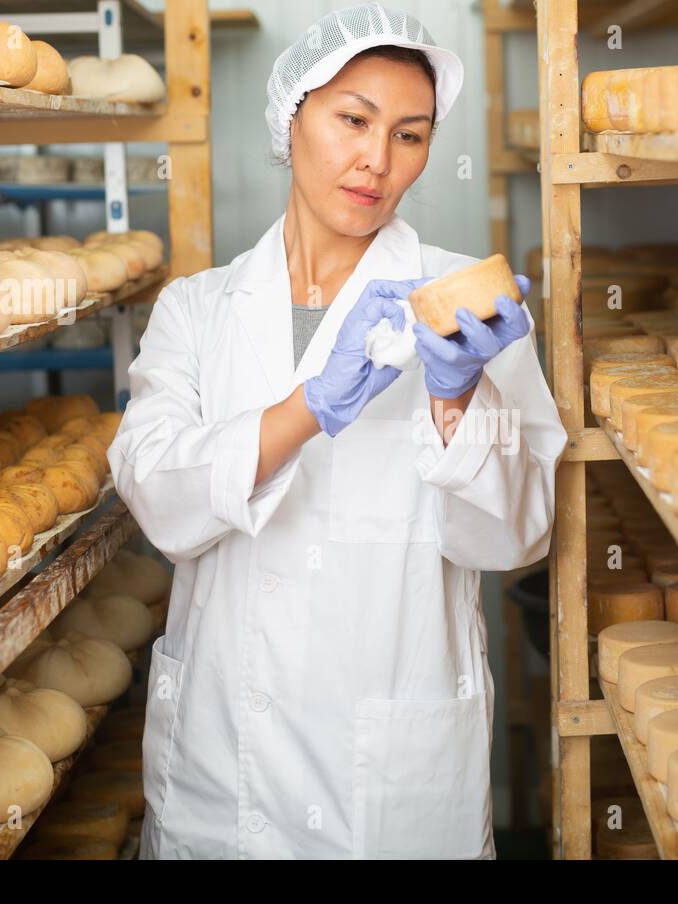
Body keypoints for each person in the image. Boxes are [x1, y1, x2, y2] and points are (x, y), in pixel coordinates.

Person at [108, 3, 565, 859]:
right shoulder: (198, 309)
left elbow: (519, 534)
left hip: (391, 785)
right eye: (353, 119)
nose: (376, 160)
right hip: (224, 765)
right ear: (292, 116)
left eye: (410, 134)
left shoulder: (462, 303)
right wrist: (309, 406)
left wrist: (458, 397)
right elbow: (156, 497)